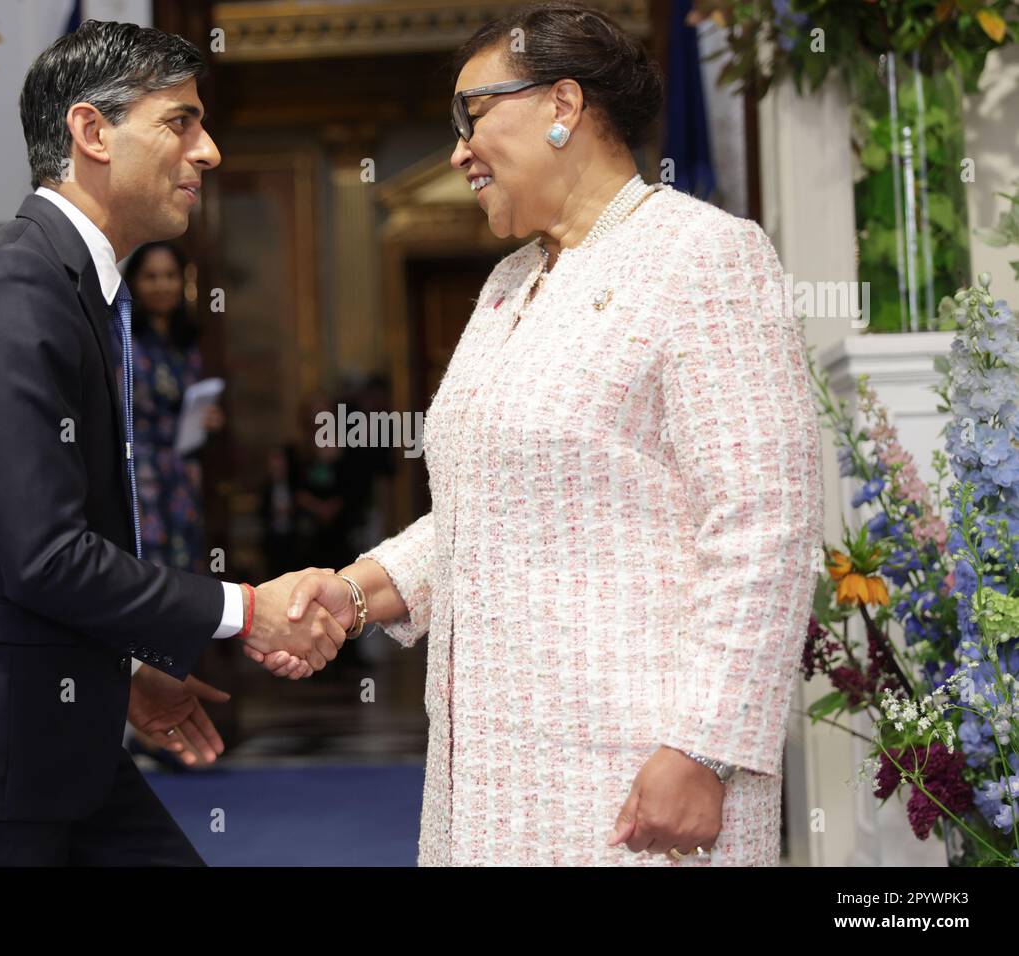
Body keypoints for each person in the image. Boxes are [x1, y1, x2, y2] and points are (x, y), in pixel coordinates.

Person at [249, 2, 825, 866]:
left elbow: (764, 527)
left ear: (563, 106)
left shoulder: (701, 256)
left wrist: (704, 748)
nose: (457, 151)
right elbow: (490, 512)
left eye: (472, 114)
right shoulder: (510, 283)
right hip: (487, 778)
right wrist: (354, 592)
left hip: (637, 775)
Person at [0, 20, 346, 866]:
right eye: (181, 122)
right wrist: (245, 611)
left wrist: (118, 675)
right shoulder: (12, 285)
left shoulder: (64, 282)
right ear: (91, 133)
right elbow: (43, 553)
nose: (208, 151)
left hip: (46, 725)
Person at [120, 241, 223, 573]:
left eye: (169, 275)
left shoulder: (187, 342)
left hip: (183, 469)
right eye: (151, 276)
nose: (162, 285)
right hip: (141, 471)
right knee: (148, 565)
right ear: (134, 282)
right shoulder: (121, 338)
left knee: (186, 561)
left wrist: (208, 418)